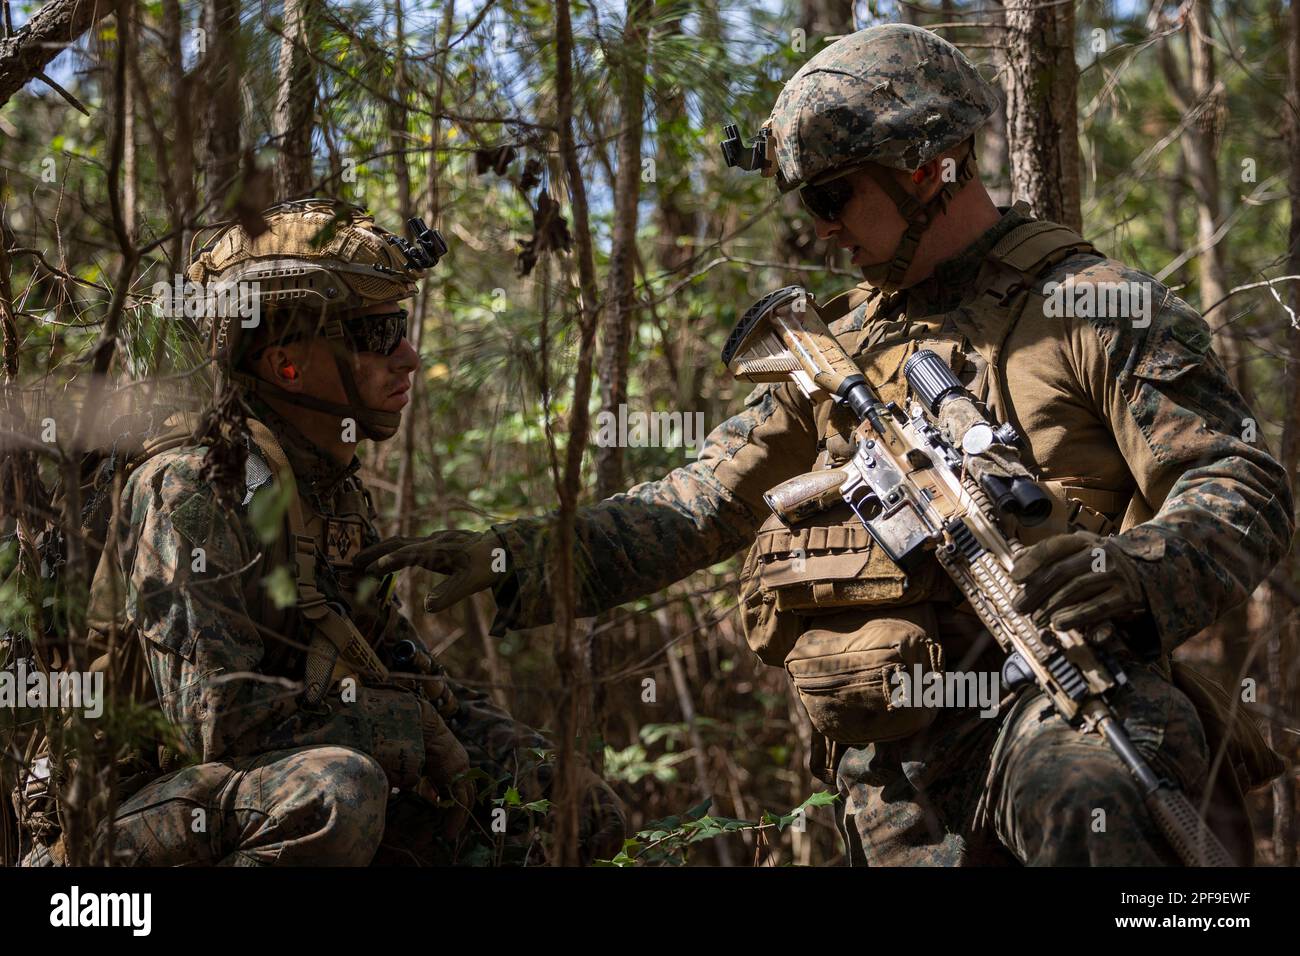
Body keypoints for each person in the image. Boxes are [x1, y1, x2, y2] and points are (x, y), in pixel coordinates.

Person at [357, 25, 1292, 866]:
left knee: (1090, 794)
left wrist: (1136, 566)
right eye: (810, 202)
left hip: (1061, 704)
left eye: (835, 194)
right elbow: (698, 502)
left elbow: (1234, 474)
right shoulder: (834, 351)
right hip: (898, 766)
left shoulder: (1089, 305)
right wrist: (518, 552)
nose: (821, 227)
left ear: (927, 168)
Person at [23, 199, 623, 866]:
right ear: (287, 365)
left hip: (259, 784)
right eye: (378, 334)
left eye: (402, 328)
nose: (410, 357)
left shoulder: (325, 484)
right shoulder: (194, 485)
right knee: (338, 793)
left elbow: (393, 663)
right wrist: (411, 733)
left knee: (564, 795)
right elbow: (215, 722)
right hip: (127, 819)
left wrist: (505, 751)